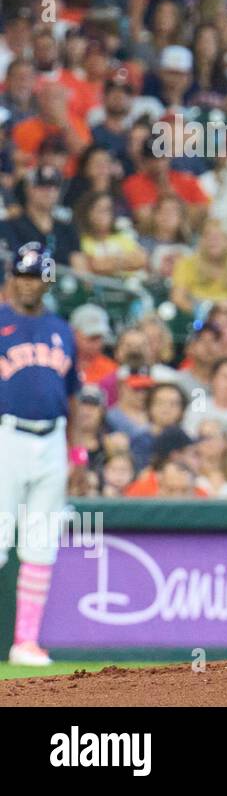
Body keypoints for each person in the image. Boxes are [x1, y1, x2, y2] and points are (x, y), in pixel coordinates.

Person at [0, 244, 80, 666]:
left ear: (47, 281)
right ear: (12, 277)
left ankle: (25, 642)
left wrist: (79, 452)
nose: (28, 283)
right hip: (6, 436)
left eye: (36, 276)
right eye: (23, 275)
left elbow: (72, 392)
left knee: (41, 542)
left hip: (53, 438)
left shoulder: (61, 329)